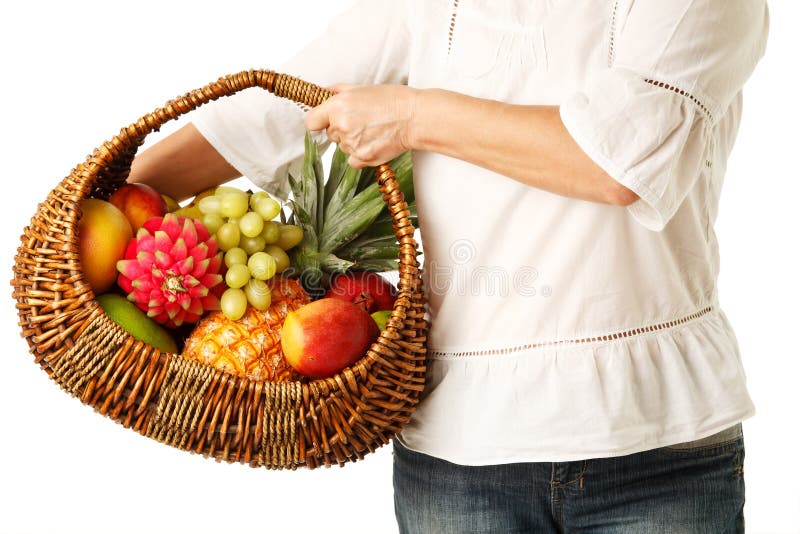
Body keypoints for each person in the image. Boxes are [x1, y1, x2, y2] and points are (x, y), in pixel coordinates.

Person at [128, 0, 770, 531]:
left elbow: (615, 163)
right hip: (460, 451)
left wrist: (414, 116)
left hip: (656, 444)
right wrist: (110, 197)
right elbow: (269, 112)